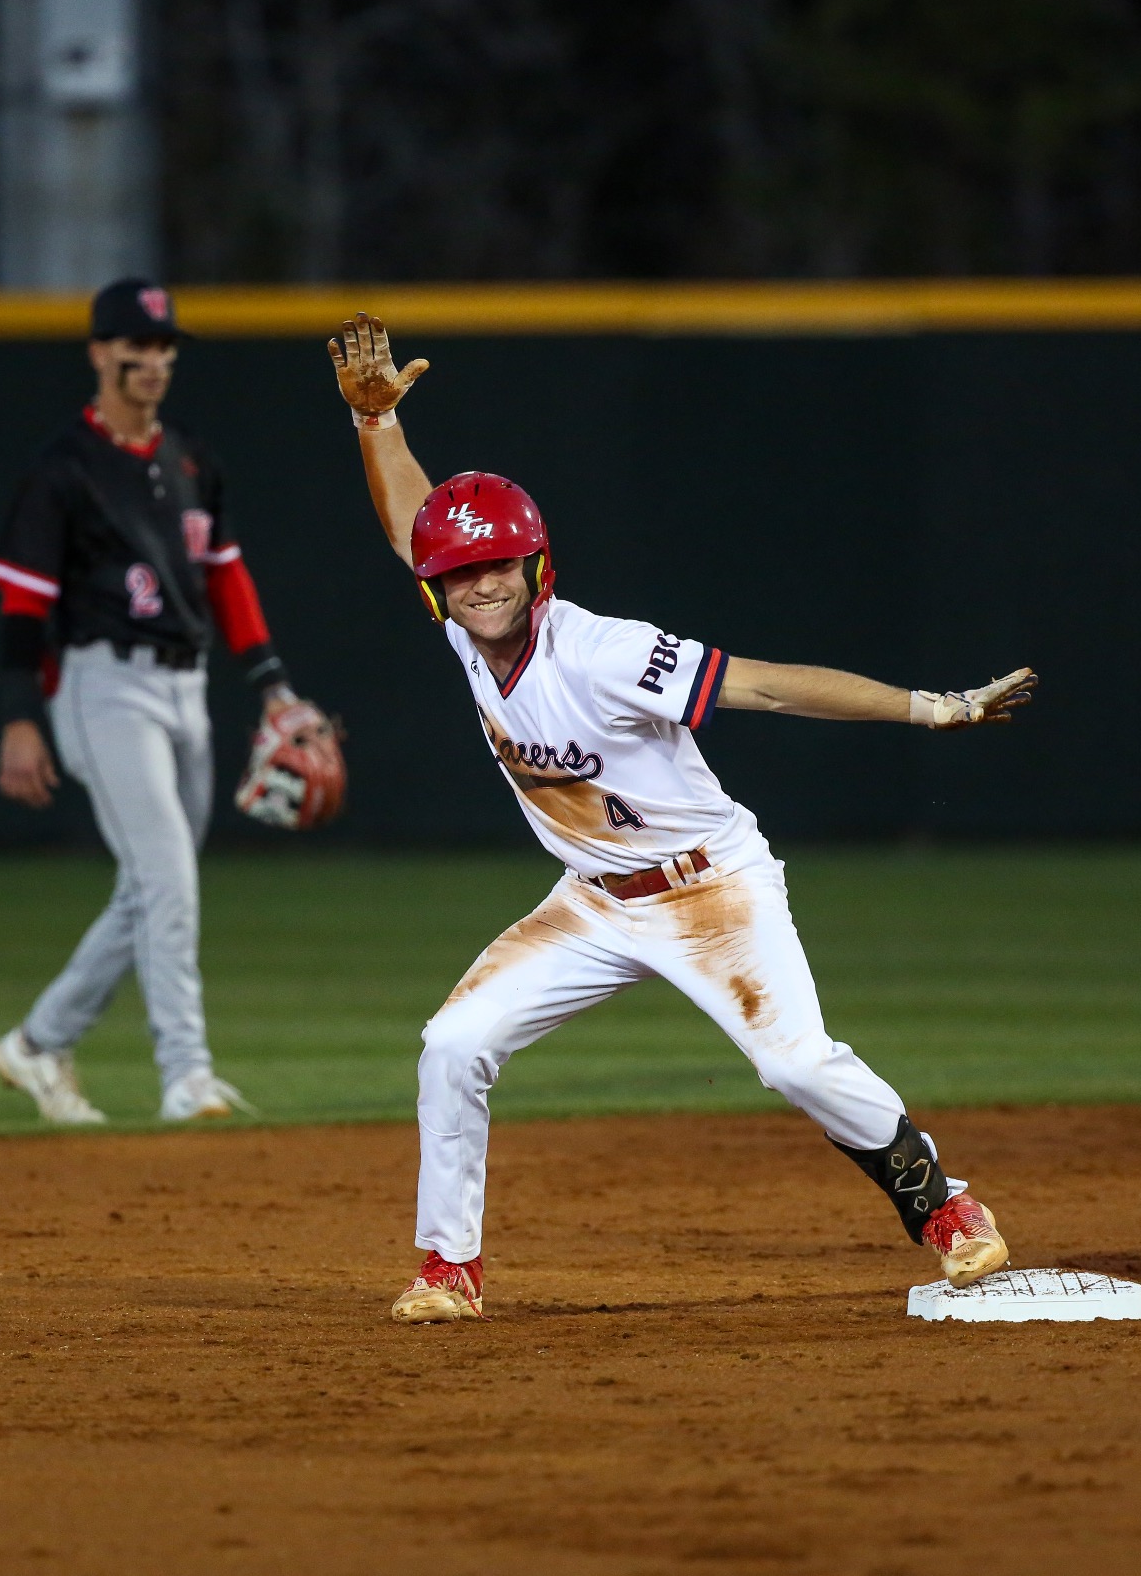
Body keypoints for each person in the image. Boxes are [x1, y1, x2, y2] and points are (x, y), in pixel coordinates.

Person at [326, 312, 1037, 1323]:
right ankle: (449, 1270)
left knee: (793, 1061)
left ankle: (943, 1206)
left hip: (711, 888)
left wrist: (931, 707)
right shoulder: (466, 633)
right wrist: (377, 427)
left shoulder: (602, 652)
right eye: (461, 574)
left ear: (538, 569)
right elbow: (415, 528)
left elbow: (767, 686)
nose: (481, 583)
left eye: (500, 565)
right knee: (452, 1044)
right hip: (591, 903)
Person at [0, 278, 310, 1125]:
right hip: (104, 685)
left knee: (156, 887)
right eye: (138, 345)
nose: (154, 360)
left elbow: (226, 576)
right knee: (166, 879)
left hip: (185, 684)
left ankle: (39, 1041)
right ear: (99, 352)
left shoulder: (191, 458)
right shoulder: (63, 467)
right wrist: (20, 716)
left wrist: (272, 684)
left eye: (165, 346)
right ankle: (186, 1074)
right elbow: (22, 603)